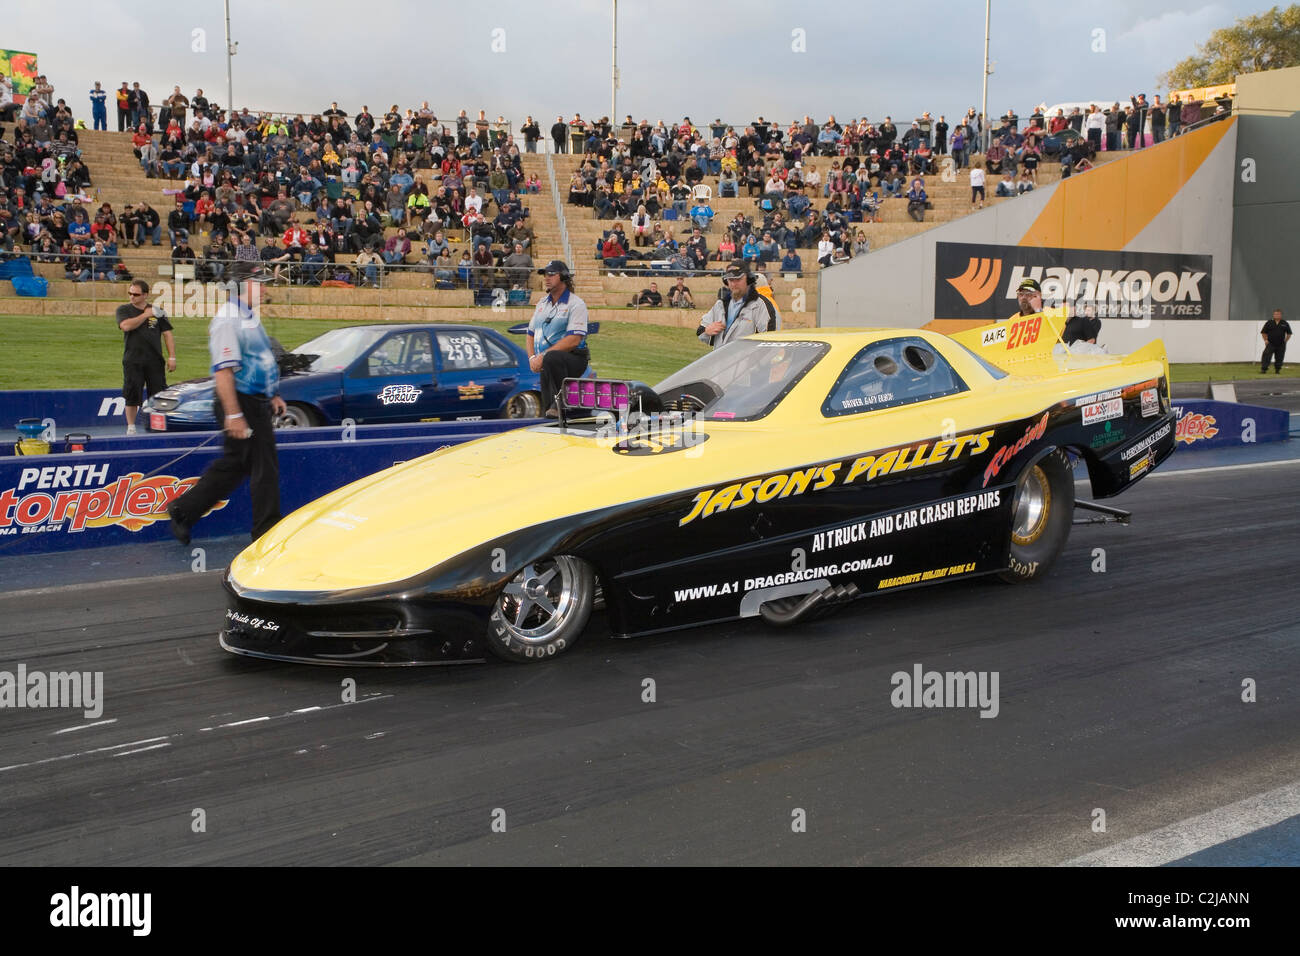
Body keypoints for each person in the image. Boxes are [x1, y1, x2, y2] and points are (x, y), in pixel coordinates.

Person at [168, 281, 286, 544]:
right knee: (264, 467)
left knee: (237, 465)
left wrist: (272, 393)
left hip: (252, 400)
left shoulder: (246, 316)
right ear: (245, 286)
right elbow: (223, 370)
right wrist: (233, 414)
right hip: (241, 401)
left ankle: (184, 509)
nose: (265, 290)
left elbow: (258, 359)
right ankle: (266, 531)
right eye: (260, 285)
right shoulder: (228, 320)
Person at [527, 261, 590, 416]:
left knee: (552, 357)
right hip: (548, 361)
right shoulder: (542, 304)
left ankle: (561, 403)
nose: (546, 278)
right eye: (545, 275)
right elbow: (530, 333)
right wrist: (532, 358)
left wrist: (543, 355)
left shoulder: (576, 304)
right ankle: (552, 412)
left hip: (574, 358)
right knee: (547, 410)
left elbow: (574, 339)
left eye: (551, 274)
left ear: (563, 277)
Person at [115, 280, 177, 434]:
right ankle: (131, 427)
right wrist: (145, 315)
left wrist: (172, 357)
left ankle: (157, 425)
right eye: (130, 293)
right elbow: (126, 326)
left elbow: (167, 334)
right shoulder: (123, 309)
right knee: (132, 394)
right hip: (133, 359)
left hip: (155, 360)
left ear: (145, 295)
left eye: (135, 294)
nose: (132, 297)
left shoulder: (158, 311)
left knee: (158, 394)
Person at [696, 261, 774, 349]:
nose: (733, 284)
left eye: (738, 279)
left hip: (748, 361)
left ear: (748, 279)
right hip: (721, 360)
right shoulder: (720, 304)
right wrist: (707, 331)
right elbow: (700, 331)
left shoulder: (761, 304)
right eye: (731, 280)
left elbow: (769, 341)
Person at [1261, 309, 1292, 374]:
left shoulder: (1285, 323)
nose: (1276, 315)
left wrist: (1285, 341)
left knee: (1279, 357)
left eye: (1278, 314)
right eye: (1275, 314)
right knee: (1266, 356)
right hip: (1270, 343)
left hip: (1281, 344)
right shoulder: (1269, 322)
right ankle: (1264, 369)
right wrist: (1266, 340)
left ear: (1281, 315)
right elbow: (1263, 332)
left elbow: (1289, 333)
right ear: (1273, 315)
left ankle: (1277, 370)